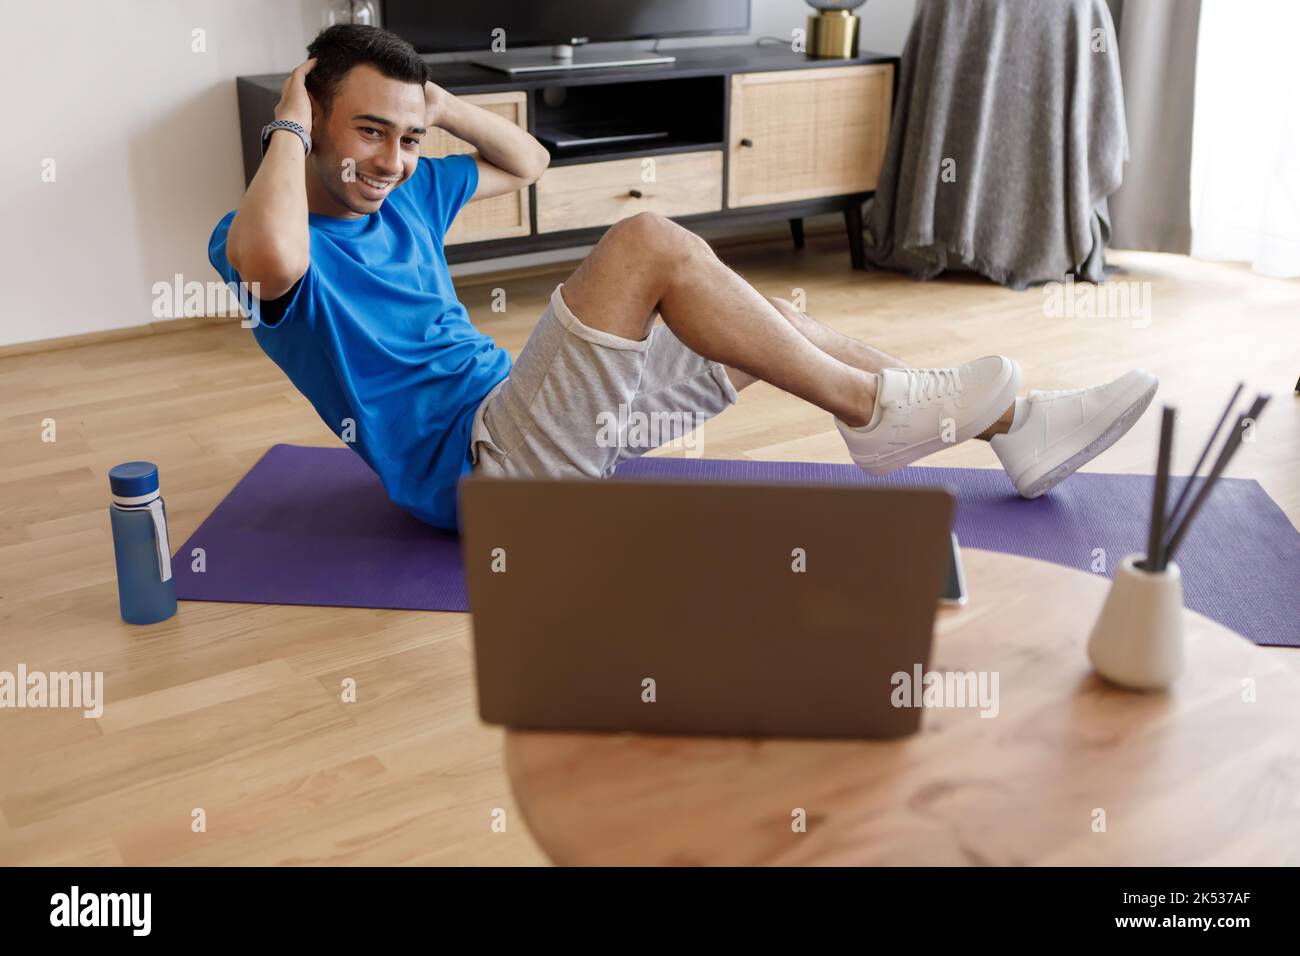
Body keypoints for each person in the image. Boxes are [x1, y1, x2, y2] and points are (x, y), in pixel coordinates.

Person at [210, 24, 1157, 531]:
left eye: (407, 139)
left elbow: (528, 159)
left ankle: (1016, 429)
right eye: (368, 131)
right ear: (311, 122)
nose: (392, 159)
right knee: (647, 240)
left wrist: (429, 101)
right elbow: (276, 259)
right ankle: (874, 414)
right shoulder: (257, 238)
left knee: (772, 323)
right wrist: (291, 115)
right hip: (486, 473)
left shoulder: (409, 197)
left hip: (547, 424)